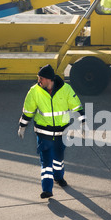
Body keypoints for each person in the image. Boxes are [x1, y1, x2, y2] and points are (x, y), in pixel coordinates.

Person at [18, 64, 85, 199]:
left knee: (58, 159)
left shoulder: (66, 89)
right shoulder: (34, 91)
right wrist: (22, 126)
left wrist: (83, 122)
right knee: (46, 162)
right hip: (44, 134)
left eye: (41, 78)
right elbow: (28, 111)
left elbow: (76, 106)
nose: (39, 81)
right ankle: (47, 189)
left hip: (62, 133)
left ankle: (59, 177)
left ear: (49, 79)